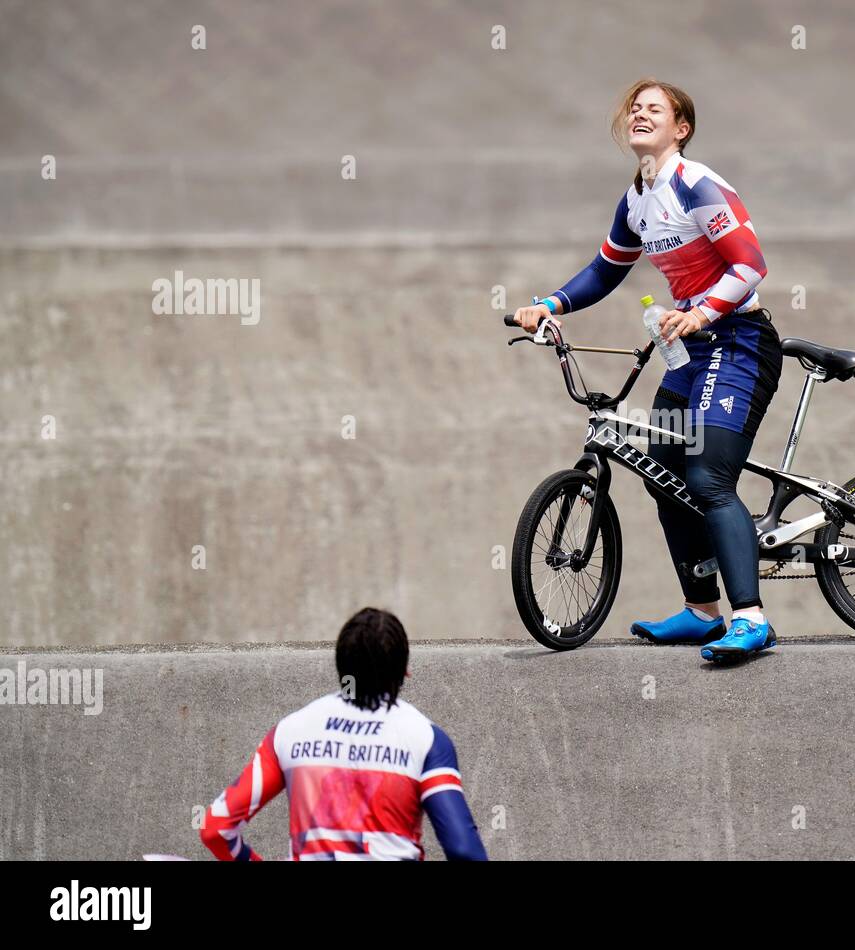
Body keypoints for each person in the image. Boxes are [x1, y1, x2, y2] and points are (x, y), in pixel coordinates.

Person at [512, 78, 782, 662]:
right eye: (634, 108)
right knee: (664, 472)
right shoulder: (637, 195)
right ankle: (703, 613)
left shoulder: (697, 186)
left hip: (738, 342)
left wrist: (703, 311)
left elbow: (751, 264)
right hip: (689, 346)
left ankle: (751, 619)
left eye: (653, 109)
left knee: (708, 478)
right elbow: (606, 270)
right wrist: (550, 304)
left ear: (680, 128)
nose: (639, 114)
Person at [198, 607, 488, 861]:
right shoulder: (426, 739)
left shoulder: (289, 731)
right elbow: (464, 851)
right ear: (404, 671)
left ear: (341, 666)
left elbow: (216, 828)